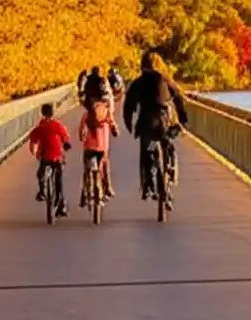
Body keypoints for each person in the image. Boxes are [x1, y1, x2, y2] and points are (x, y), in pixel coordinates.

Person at [123, 51, 188, 205]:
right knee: (167, 145)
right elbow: (178, 98)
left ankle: (147, 185)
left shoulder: (138, 83)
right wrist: (183, 120)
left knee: (147, 151)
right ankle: (170, 171)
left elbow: (128, 106)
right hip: (164, 126)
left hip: (147, 126)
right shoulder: (166, 80)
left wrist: (129, 124)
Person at [27, 103, 72, 217]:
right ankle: (61, 205)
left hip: (45, 156)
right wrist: (66, 144)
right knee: (59, 181)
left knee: (40, 174)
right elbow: (65, 138)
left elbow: (33, 142)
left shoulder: (40, 127)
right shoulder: (58, 125)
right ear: (53, 113)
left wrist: (34, 154)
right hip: (58, 157)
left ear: (42, 113)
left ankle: (42, 192)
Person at [79, 92, 118, 205]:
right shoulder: (106, 112)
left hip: (88, 147)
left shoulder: (86, 114)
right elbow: (113, 126)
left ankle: (84, 194)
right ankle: (107, 187)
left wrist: (82, 137)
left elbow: (81, 131)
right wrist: (115, 131)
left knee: (87, 171)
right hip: (102, 147)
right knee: (104, 165)